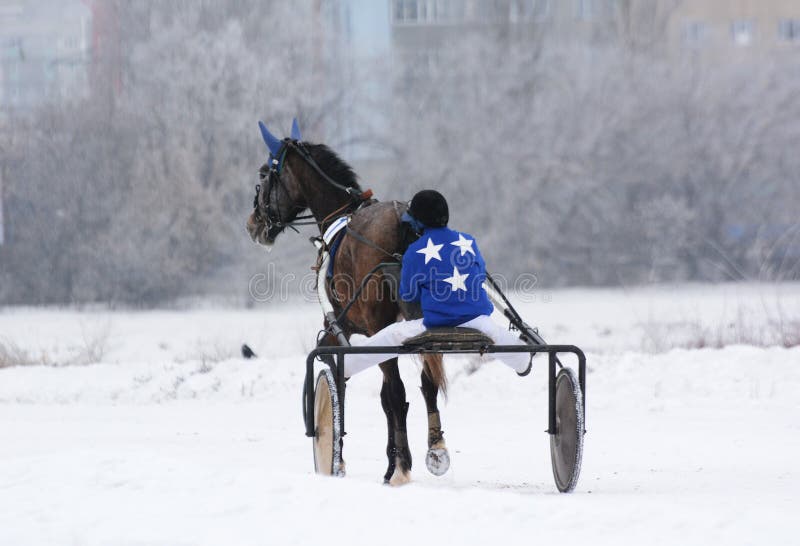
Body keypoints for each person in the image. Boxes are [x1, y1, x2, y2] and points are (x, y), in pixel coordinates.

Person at [344, 189, 532, 378]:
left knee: (392, 334)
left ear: (418, 221)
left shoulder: (415, 251)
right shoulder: (468, 241)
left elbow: (408, 295)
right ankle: (523, 361)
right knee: (496, 333)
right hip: (478, 321)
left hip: (434, 324)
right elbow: (479, 274)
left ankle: (345, 367)